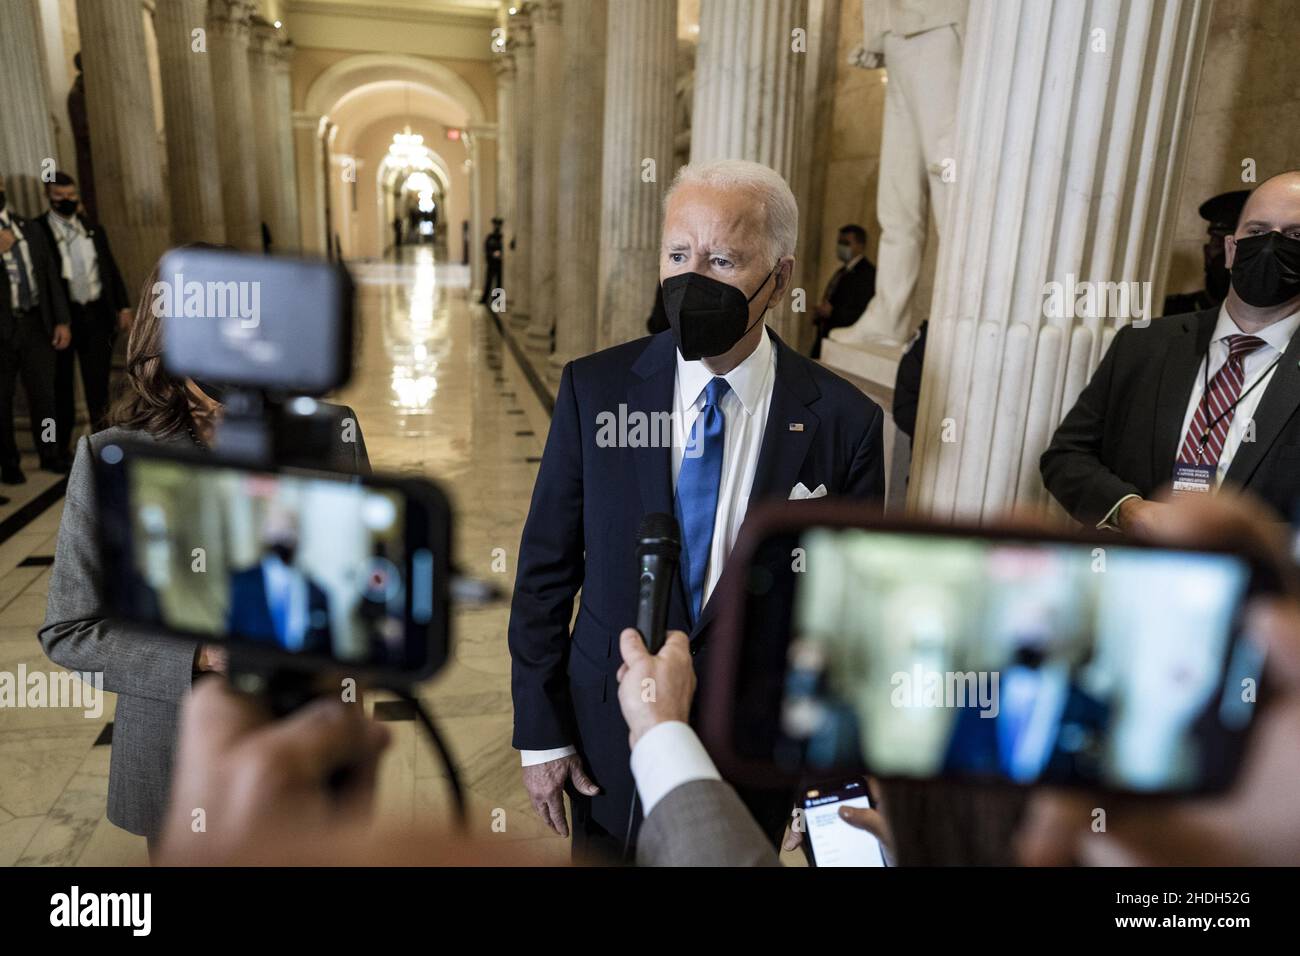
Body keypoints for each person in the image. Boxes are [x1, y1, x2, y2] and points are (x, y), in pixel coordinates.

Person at [508, 159, 886, 860]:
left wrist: (823, 773)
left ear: (781, 276)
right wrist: (542, 730)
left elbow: (850, 616)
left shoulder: (843, 421)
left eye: (722, 260)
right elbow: (545, 571)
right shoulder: (598, 390)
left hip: (754, 754)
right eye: (679, 254)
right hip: (606, 744)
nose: (693, 280)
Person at [39, 250, 370, 859]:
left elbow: (365, 602)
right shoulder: (112, 458)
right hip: (174, 765)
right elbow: (69, 632)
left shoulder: (333, 435)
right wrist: (199, 655)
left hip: (307, 752)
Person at [1041, 170, 1300, 534]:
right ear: (1229, 250)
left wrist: (1244, 537)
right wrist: (1128, 510)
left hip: (1252, 584)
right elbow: (1066, 457)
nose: (1271, 246)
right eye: (1256, 232)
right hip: (1125, 574)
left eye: (1295, 235)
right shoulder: (1143, 344)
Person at [36, 171, 131, 460]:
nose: (66, 201)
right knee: (60, 386)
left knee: (98, 385)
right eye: (59, 196)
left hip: (95, 315)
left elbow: (110, 270)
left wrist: (122, 305)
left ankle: (103, 442)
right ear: (48, 197)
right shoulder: (37, 230)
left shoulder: (92, 229)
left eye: (70, 196)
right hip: (60, 319)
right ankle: (59, 448)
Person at [0, 172, 73, 483]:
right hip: (2, 330)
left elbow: (49, 276)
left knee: (45, 396)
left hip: (36, 325)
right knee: (1, 401)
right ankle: (9, 462)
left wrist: (61, 319)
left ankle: (50, 451)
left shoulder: (29, 227)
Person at [227, 507, 333, 655]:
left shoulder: (318, 593)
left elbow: (327, 651)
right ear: (263, 532)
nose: (281, 536)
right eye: (275, 528)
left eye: (288, 529)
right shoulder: (241, 583)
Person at [1162, 189, 1251, 317]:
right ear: (1206, 253)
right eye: (1220, 244)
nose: (1227, 257)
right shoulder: (1170, 312)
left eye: (1238, 247)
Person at [811, 224, 876, 359]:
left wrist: (832, 312)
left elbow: (862, 311)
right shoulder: (842, 271)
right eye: (839, 242)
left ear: (860, 245)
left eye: (846, 243)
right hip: (827, 338)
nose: (841, 247)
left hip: (845, 346)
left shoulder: (868, 274)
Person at [480, 216, 504, 305]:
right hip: (491, 262)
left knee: (499, 283)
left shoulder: (502, 237)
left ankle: (497, 300)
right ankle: (485, 298)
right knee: (489, 281)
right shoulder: (490, 237)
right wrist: (493, 254)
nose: (497, 227)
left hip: (499, 263)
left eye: (498, 225)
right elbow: (486, 248)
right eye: (495, 225)